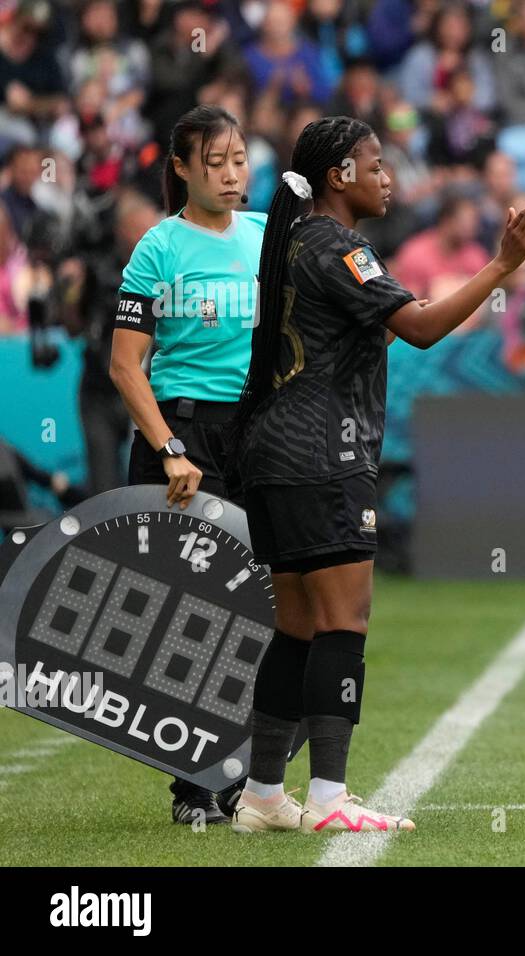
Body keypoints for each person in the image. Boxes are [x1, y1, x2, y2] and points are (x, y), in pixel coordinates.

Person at [224, 115, 525, 834]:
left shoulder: (295, 243)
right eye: (375, 164)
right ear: (340, 174)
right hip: (322, 455)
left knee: (297, 628)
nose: (388, 175)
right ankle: (329, 799)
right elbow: (423, 326)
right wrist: (501, 265)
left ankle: (262, 795)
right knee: (345, 622)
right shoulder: (337, 247)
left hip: (275, 454)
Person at [109, 105, 266, 826]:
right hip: (184, 440)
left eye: (239, 159)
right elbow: (125, 365)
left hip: (260, 439)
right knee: (191, 616)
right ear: (181, 168)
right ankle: (193, 788)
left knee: (258, 613)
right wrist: (168, 446)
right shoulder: (158, 250)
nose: (232, 174)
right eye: (216, 162)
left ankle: (245, 779)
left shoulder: (270, 236)